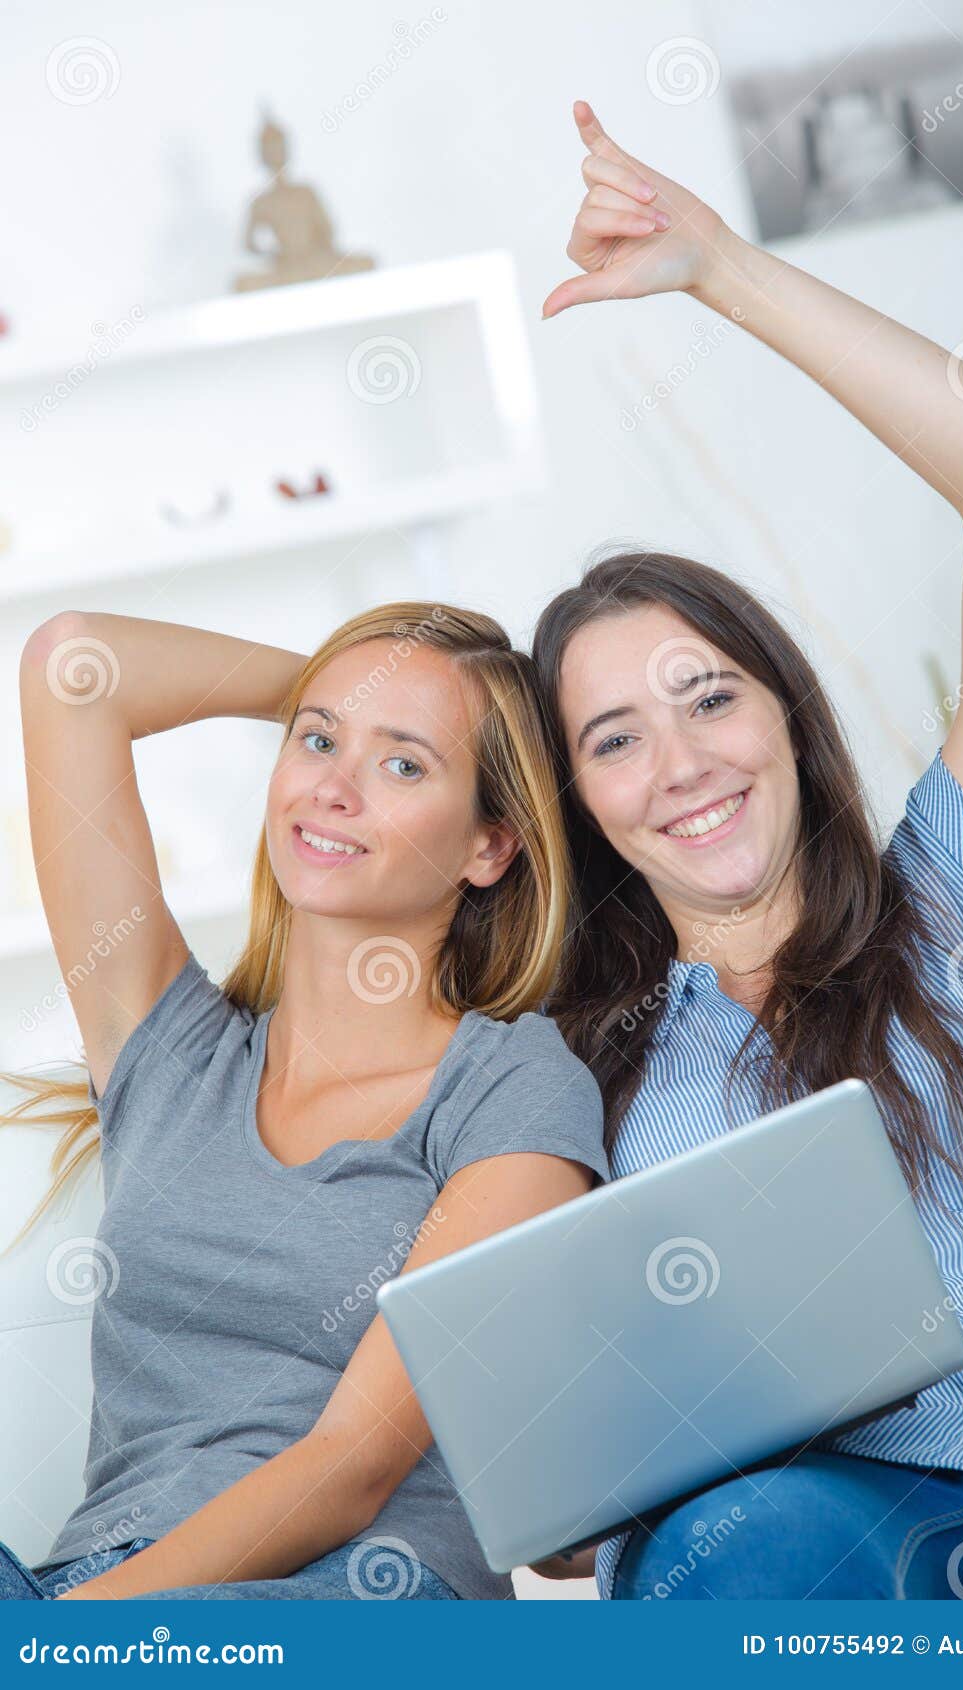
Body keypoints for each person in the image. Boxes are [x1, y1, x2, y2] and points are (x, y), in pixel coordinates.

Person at [530, 102, 963, 1600]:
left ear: (787, 715)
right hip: (827, 1515)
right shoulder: (578, 1070)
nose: (684, 761)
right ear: (577, 801)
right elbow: (574, 1494)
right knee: (722, 1553)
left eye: (710, 696)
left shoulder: (962, 881)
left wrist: (718, 269)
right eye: (616, 736)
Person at [0, 601, 608, 1601]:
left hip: (361, 1591)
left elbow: (350, 1467)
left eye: (403, 765)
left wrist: (59, 1638)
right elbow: (77, 663)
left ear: (487, 848)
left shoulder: (510, 1087)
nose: (333, 786)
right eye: (316, 741)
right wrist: (346, 683)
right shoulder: (168, 1050)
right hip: (104, 1580)